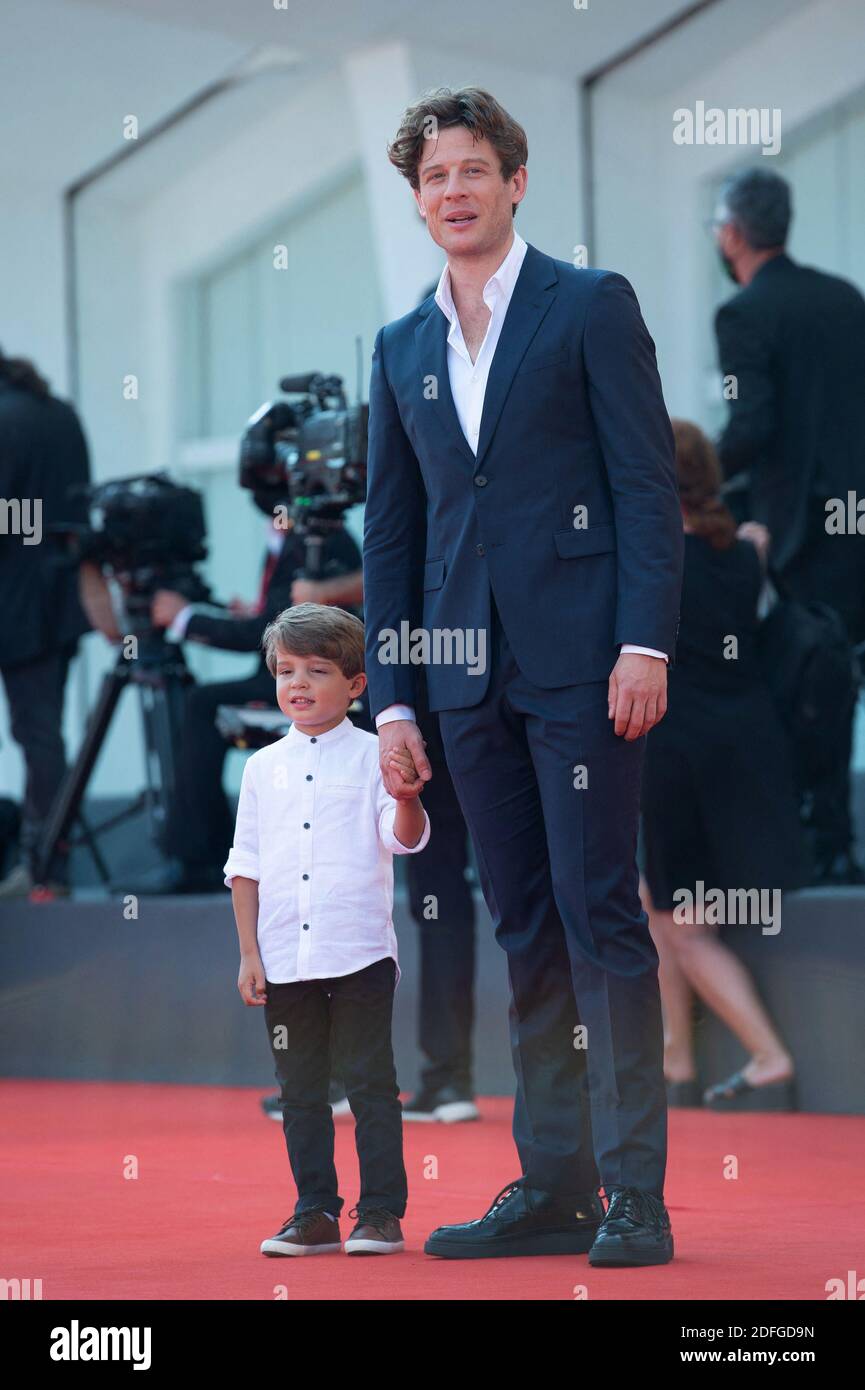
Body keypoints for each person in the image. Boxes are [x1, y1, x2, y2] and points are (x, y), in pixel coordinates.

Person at [363, 88, 683, 1266]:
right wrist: (393, 695)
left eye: (473, 169)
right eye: (433, 175)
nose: (454, 190)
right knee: (523, 926)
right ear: (416, 199)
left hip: (588, 668)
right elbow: (390, 536)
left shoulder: (589, 303)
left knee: (602, 919)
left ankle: (633, 1193)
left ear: (515, 181)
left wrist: (644, 639)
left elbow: (646, 484)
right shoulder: (401, 346)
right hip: (459, 681)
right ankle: (551, 1183)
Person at [223, 603, 430, 1256]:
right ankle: (313, 1210)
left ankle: (380, 1213)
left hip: (359, 953)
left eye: (317, 670)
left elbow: (406, 841)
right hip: (283, 958)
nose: (298, 684)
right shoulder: (260, 768)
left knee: (370, 1084)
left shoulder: (376, 755)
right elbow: (245, 867)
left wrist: (405, 798)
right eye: (286, 671)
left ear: (357, 685)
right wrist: (248, 954)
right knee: (300, 1091)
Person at [641, 420, 810, 1110]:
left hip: (676, 749)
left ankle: (768, 1057)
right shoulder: (746, 550)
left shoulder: (646, 555)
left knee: (679, 921)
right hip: (743, 744)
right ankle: (673, 1063)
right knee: (660, 911)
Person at [712, 167, 865, 884]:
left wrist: (692, 475)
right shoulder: (845, 300)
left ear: (733, 234)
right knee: (843, 674)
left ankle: (819, 839)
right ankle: (831, 836)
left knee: (805, 678)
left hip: (802, 533)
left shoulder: (743, 314)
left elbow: (751, 424)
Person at [147, 510, 363, 892]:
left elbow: (267, 634)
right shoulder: (287, 535)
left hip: (313, 685)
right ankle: (210, 853)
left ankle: (201, 858)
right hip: (282, 677)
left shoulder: (319, 537)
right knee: (205, 704)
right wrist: (253, 615)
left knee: (203, 704)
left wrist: (185, 619)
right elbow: (274, 622)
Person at [0, 349, 93, 898]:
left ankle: (39, 866)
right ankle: (47, 867)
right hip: (59, 598)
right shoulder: (59, 413)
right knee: (42, 735)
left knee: (36, 738)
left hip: (15, 598)